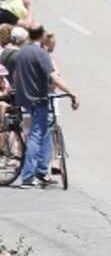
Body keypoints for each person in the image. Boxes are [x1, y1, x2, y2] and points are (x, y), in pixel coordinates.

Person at [11, 29, 77, 191]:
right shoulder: (40, 54)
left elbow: (15, 77)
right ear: (41, 38)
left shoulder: (21, 53)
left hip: (26, 99)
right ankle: (27, 176)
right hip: (38, 100)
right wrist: (71, 93)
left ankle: (41, 171)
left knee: (45, 132)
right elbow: (54, 77)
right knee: (36, 135)